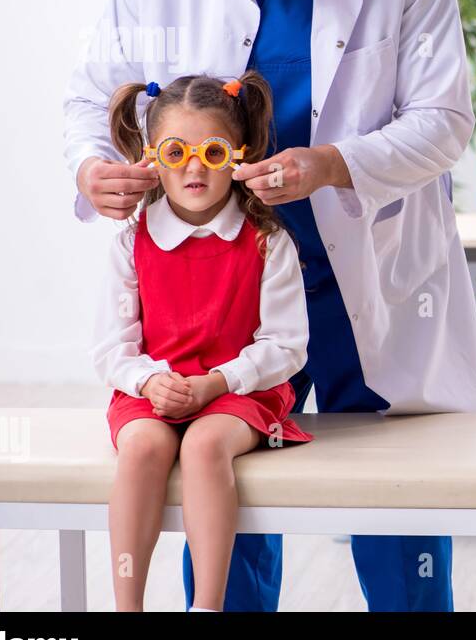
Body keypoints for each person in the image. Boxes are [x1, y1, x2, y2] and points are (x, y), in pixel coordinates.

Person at [64, 0, 476, 611]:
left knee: (388, 480)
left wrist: (332, 164)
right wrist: (93, 167)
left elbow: (444, 121)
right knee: (223, 464)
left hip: (361, 259)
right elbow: (94, 95)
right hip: (218, 266)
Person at [93, 71, 313, 612]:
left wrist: (217, 382)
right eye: (176, 151)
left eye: (212, 152)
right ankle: (128, 607)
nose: (194, 167)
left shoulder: (267, 241)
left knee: (204, 444)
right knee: (143, 446)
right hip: (157, 390)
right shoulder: (131, 242)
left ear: (236, 157)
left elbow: (287, 346)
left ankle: (207, 606)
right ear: (152, 159)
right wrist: (150, 380)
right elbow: (110, 349)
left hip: (239, 392)